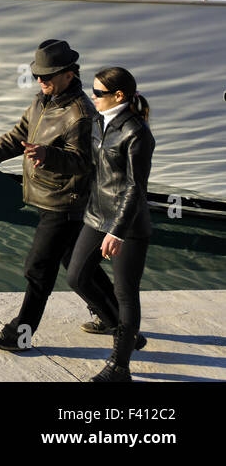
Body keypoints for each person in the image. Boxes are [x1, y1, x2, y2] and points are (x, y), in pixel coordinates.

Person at [0, 39, 121, 352]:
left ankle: (20, 334)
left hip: (65, 204)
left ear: (69, 74)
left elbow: (84, 162)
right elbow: (19, 135)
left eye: (47, 76)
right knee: (80, 268)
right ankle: (117, 321)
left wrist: (49, 155)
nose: (41, 81)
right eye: (38, 75)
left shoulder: (81, 114)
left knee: (38, 270)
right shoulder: (43, 102)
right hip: (47, 198)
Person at [65, 67, 155, 382]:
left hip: (127, 224)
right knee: (77, 276)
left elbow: (135, 187)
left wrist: (116, 230)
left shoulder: (136, 132)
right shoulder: (97, 123)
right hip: (96, 214)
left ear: (119, 96)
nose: (93, 97)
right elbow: (87, 164)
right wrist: (47, 156)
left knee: (126, 292)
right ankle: (126, 333)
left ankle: (120, 367)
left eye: (98, 93)